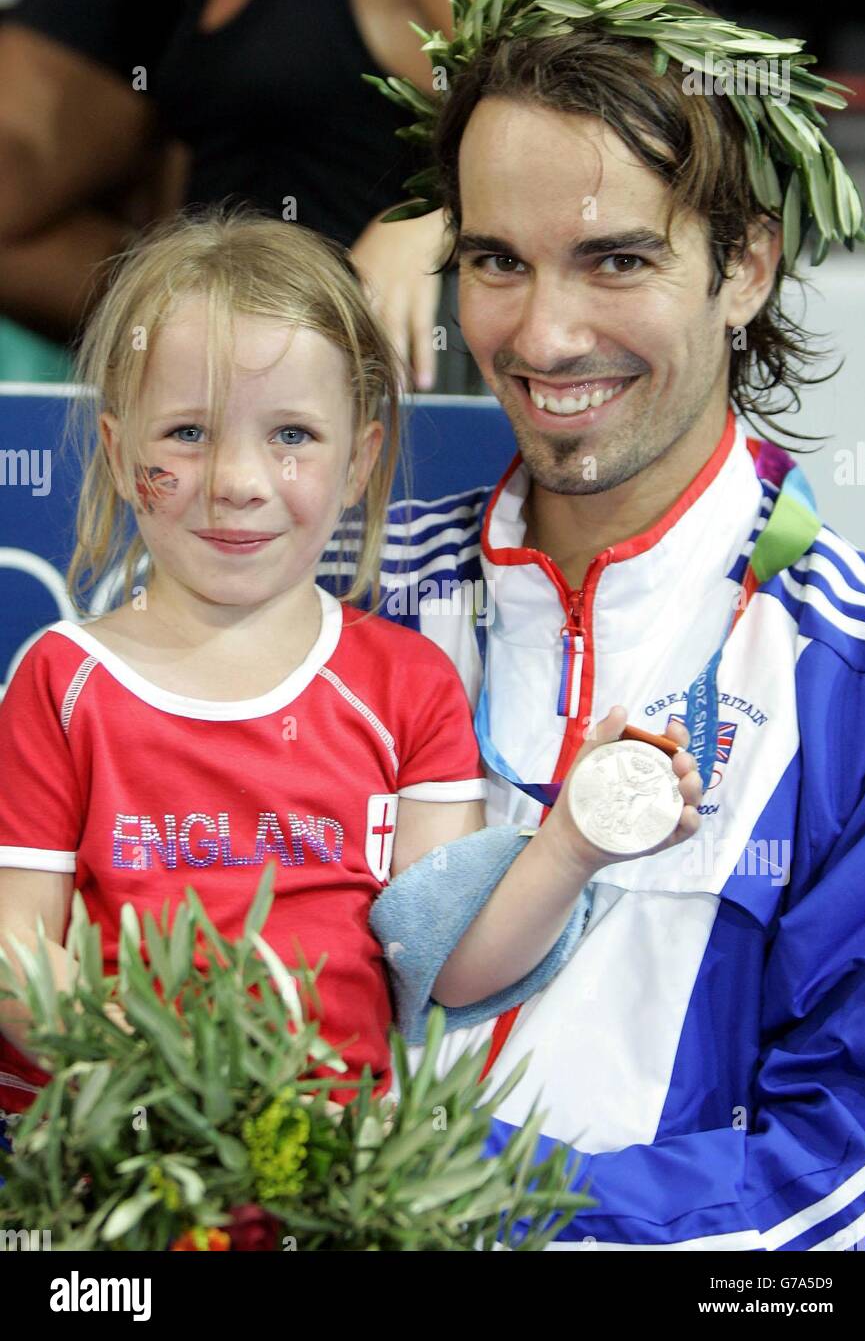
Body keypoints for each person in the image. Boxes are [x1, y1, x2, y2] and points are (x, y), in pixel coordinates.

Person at [343, 0, 865, 1249]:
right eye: (496, 261)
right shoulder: (334, 607)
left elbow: (846, 1166)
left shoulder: (854, 680)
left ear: (744, 265)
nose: (545, 333)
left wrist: (456, 1220)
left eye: (615, 259)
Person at [0, 209, 701, 1138]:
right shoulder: (61, 681)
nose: (238, 479)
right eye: (187, 433)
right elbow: (18, 953)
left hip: (341, 1182)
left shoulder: (406, 685)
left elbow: (446, 967)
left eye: (292, 434)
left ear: (359, 460)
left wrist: (570, 844)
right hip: (116, 1168)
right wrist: (163, 1074)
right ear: (121, 456)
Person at [0, 0, 555, 390]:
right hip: (234, 387)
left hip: (377, 382)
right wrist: (176, 309)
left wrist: (439, 219)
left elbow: (568, 109)